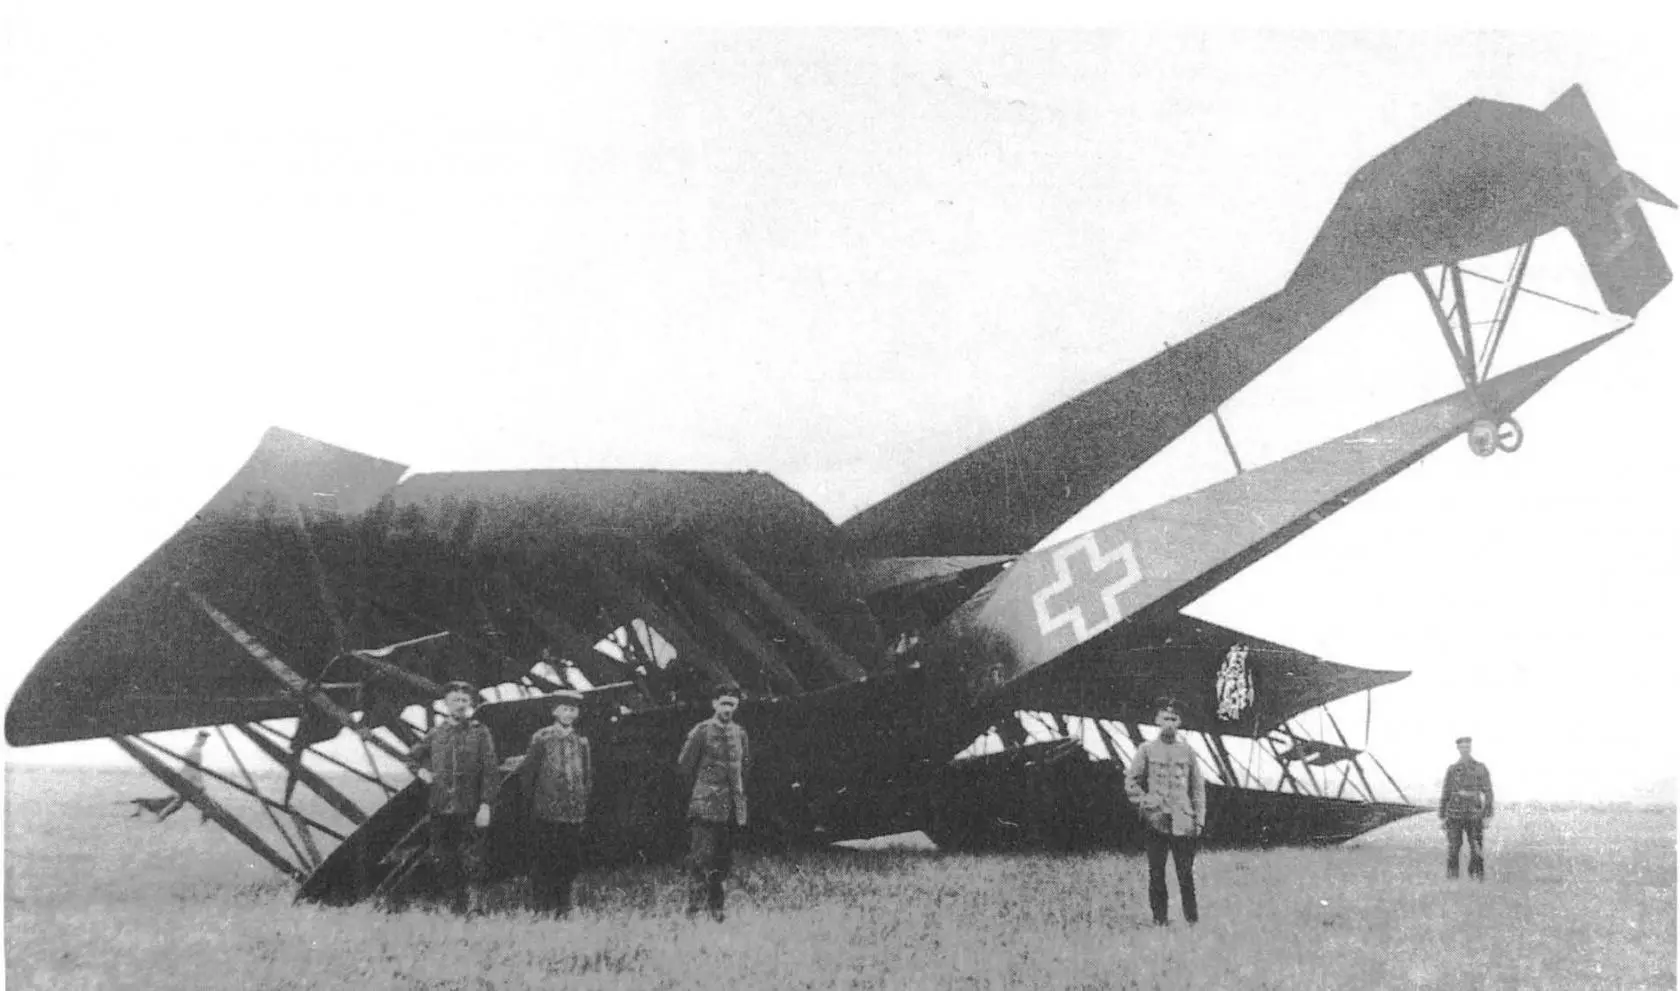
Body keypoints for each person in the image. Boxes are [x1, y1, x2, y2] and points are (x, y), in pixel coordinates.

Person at [406, 681, 500, 914]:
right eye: (455, 700)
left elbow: (490, 770)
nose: (460, 705)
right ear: (446, 704)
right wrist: (422, 772)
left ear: (470, 704)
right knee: (446, 859)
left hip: (470, 807)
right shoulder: (436, 734)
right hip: (441, 808)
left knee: (474, 860)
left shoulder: (480, 732)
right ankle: (456, 906)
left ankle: (476, 907)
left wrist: (486, 804)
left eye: (464, 701)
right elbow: (411, 758)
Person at [511, 689, 593, 917]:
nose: (569, 713)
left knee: (569, 859)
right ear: (554, 711)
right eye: (565, 708)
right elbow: (529, 774)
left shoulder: (581, 742)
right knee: (545, 858)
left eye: (573, 709)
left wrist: (581, 802)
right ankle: (542, 906)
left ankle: (565, 905)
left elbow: (587, 777)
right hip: (547, 810)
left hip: (573, 811)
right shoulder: (542, 738)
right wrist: (536, 803)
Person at [1124, 698, 1206, 926]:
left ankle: (1192, 920)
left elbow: (1198, 788)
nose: (1169, 723)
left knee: (1186, 874)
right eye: (1165, 718)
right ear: (1157, 720)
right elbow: (1131, 782)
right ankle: (1160, 920)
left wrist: (1199, 820)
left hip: (1183, 820)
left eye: (1173, 719)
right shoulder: (1146, 750)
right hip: (1156, 821)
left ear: (1179, 722)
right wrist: (1145, 802)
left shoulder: (1188, 752)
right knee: (1156, 873)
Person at [677, 685, 749, 921]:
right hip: (705, 806)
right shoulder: (702, 731)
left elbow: (745, 766)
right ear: (714, 704)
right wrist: (701, 792)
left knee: (722, 859)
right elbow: (685, 765)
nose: (727, 709)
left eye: (732, 704)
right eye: (723, 703)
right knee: (700, 858)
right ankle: (694, 909)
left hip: (729, 807)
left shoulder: (739, 734)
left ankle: (717, 908)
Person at [1439, 735, 1494, 881]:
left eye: (1467, 747)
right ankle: (1452, 878)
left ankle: (1476, 876)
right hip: (1455, 813)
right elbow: (1446, 793)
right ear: (1458, 748)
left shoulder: (1480, 768)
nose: (1464, 749)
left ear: (1471, 748)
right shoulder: (1452, 770)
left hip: (1474, 813)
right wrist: (1443, 817)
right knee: (1453, 848)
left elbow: (1488, 792)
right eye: (1462, 747)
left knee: (1476, 847)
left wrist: (1488, 815)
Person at [156, 729, 212, 822]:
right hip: (189, 780)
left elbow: (192, 768)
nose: (204, 741)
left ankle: (162, 815)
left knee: (180, 801)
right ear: (198, 738)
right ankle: (162, 815)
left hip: (187, 779)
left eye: (205, 739)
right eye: (203, 739)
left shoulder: (193, 750)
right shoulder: (196, 751)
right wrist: (199, 784)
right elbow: (194, 769)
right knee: (188, 800)